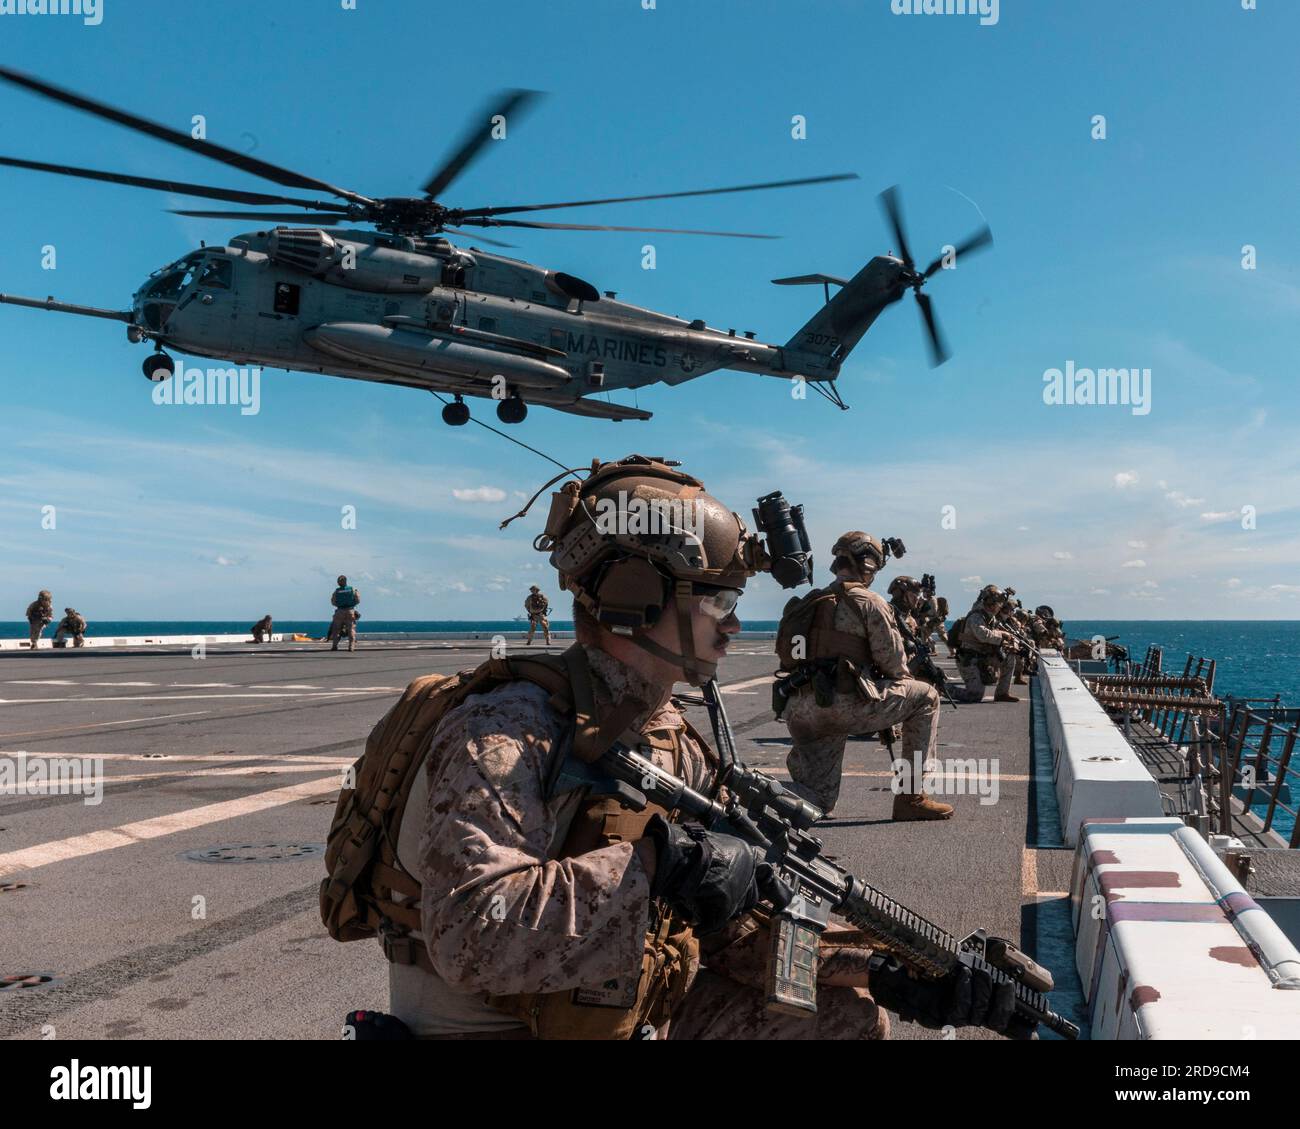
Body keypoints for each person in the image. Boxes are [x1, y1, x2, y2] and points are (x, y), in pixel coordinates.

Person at [349, 455, 1016, 1042]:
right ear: (637, 597)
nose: (733, 623)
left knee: (849, 1016)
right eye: (718, 598)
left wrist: (893, 969)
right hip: (497, 1030)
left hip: (615, 1011)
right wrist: (657, 863)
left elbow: (732, 931)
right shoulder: (504, 732)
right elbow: (472, 933)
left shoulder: (667, 735)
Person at [775, 534, 953, 822]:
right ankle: (911, 797)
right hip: (843, 705)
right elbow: (894, 665)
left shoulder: (811, 600)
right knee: (925, 697)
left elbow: (788, 657)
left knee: (816, 800)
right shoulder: (869, 602)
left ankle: (744, 793)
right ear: (869, 567)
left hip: (800, 709)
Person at [956, 586, 1019, 703]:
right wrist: (1001, 635)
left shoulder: (989, 617)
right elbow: (983, 634)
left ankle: (1002, 693)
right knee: (974, 696)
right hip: (969, 659)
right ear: (991, 604)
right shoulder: (976, 616)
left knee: (1009, 658)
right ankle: (941, 688)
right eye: (999, 604)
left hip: (982, 656)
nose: (1000, 607)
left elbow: (1000, 632)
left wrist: (1011, 641)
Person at [329, 575, 360, 652]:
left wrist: (339, 605)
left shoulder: (337, 591)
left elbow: (333, 602)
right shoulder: (352, 589)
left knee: (336, 629)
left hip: (340, 611)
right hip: (350, 611)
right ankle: (351, 647)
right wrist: (352, 605)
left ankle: (334, 646)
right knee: (351, 629)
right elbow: (358, 600)